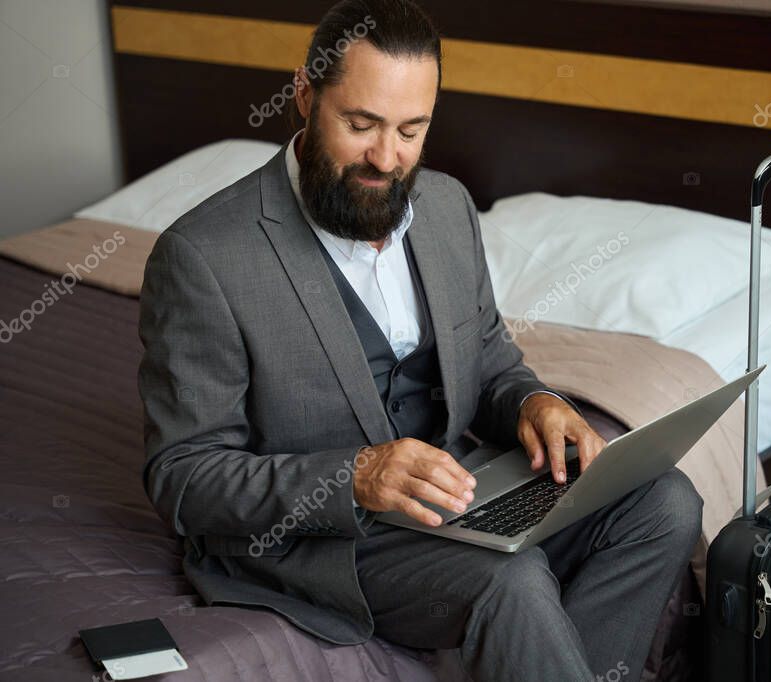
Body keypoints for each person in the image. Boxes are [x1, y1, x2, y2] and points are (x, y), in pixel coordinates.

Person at [137, 1, 703, 679]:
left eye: (411, 130)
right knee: (510, 579)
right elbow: (183, 477)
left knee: (665, 501)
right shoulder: (203, 257)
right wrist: (356, 476)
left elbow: (490, 362)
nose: (386, 157)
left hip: (458, 496)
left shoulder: (446, 206)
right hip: (319, 539)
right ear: (304, 95)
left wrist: (533, 404)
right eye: (360, 124)